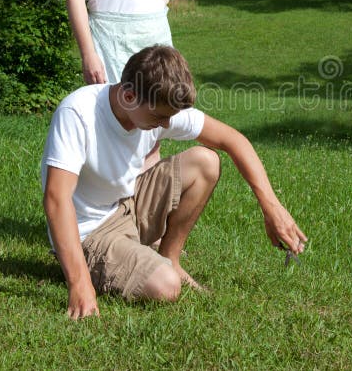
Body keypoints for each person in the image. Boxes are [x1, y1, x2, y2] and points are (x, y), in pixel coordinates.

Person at [41, 45, 307, 320]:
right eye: (160, 118)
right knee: (166, 286)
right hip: (91, 232)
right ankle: (98, 268)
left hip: (126, 203)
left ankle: (172, 258)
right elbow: (56, 199)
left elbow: (233, 140)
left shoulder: (154, 105)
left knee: (206, 161)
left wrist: (272, 208)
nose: (167, 125)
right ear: (130, 96)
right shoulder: (78, 113)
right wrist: (79, 283)